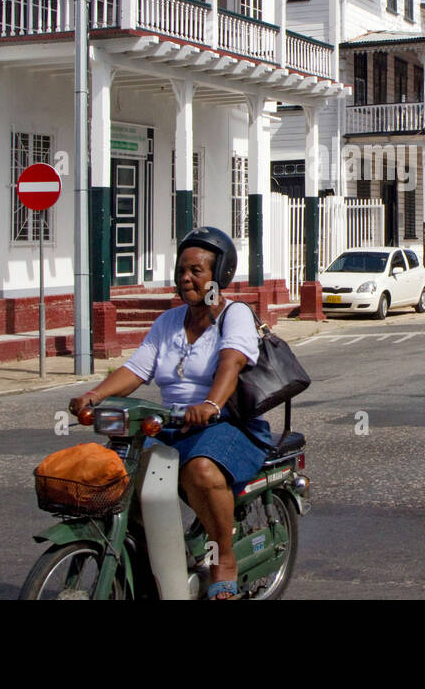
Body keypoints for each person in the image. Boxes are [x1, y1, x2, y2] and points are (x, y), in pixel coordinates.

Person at [67, 226, 272, 600]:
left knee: (201, 470)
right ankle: (153, 558)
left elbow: (232, 361)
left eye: (197, 270)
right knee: (120, 474)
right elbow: (136, 370)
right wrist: (94, 395)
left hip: (226, 422)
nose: (186, 278)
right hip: (172, 424)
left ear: (220, 275)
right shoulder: (168, 322)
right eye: (181, 270)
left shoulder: (234, 314)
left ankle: (223, 558)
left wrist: (210, 404)